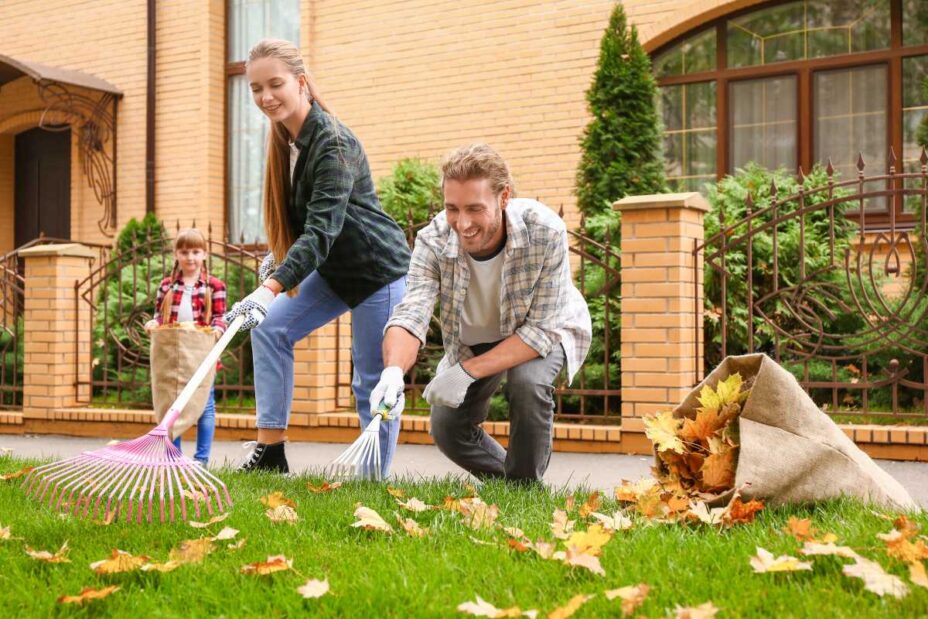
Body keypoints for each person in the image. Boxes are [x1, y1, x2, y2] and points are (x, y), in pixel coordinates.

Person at [224, 39, 410, 475]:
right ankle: (270, 454)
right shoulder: (287, 142)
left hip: (376, 272)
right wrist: (276, 261)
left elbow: (322, 229)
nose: (265, 96)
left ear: (301, 82)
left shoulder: (333, 142)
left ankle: (373, 482)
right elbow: (306, 219)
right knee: (269, 329)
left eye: (275, 84)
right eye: (255, 88)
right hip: (333, 270)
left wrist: (268, 289)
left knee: (370, 381)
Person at [372, 143, 592, 483]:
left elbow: (543, 331)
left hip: (539, 330)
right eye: (452, 209)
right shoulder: (432, 241)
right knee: (447, 427)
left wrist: (466, 372)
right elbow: (412, 311)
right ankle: (522, 491)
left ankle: (522, 491)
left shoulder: (545, 231)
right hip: (477, 338)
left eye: (475, 208)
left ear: (504, 198)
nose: (462, 223)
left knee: (527, 382)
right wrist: (392, 373)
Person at [144, 228, 227, 466]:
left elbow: (220, 317)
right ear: (176, 255)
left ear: (204, 254)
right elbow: (160, 317)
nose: (190, 257)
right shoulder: (168, 286)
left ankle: (201, 460)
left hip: (201, 354)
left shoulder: (214, 286)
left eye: (195, 251)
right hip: (173, 355)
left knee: (205, 405)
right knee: (172, 404)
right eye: (184, 252)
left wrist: (218, 329)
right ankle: (174, 457)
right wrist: (154, 323)